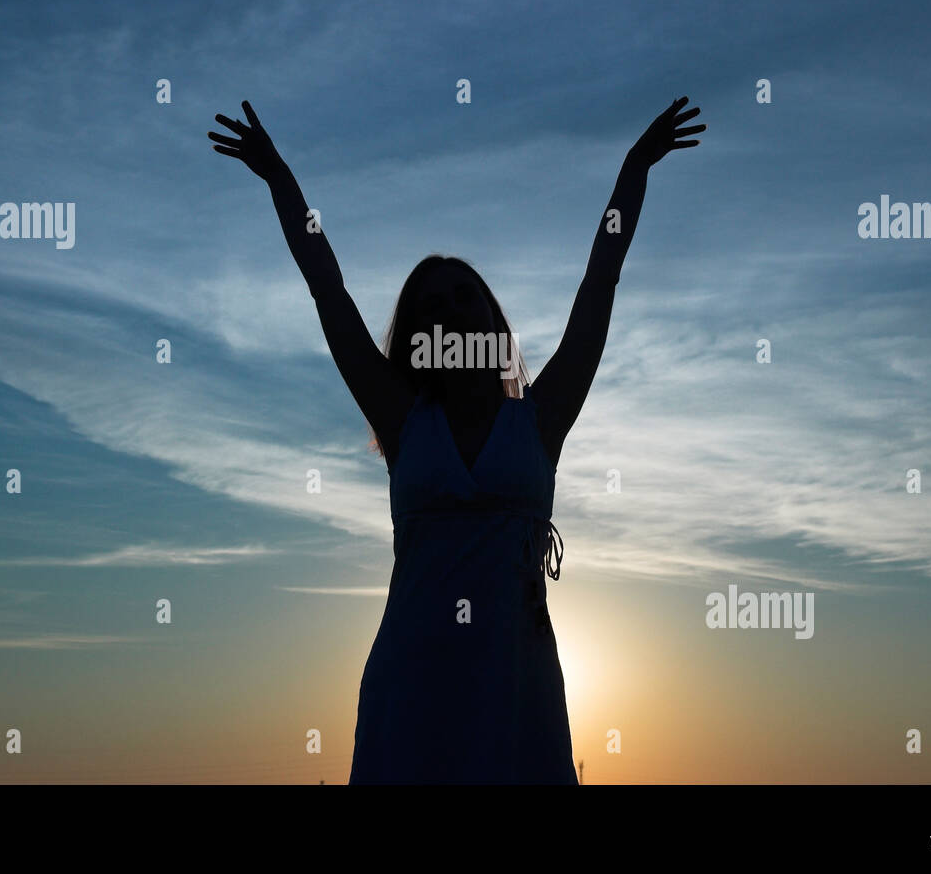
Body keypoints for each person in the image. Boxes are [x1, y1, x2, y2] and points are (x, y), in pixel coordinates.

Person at [209, 95, 704, 783]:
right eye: (434, 306)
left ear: (493, 320)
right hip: (412, 683)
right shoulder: (403, 420)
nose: (452, 313)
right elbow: (328, 289)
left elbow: (601, 281)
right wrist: (279, 177)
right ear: (418, 337)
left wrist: (635, 166)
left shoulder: (540, 420)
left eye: (465, 297)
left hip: (517, 689)